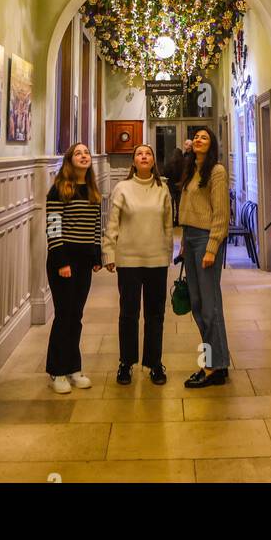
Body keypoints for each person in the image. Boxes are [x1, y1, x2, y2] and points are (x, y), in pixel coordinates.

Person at [103, 144, 173, 386]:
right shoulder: (122, 188)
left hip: (157, 260)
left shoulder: (162, 188)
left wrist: (168, 254)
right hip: (128, 260)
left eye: (148, 153)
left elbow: (168, 225)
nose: (144, 156)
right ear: (134, 162)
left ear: (153, 160)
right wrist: (109, 252)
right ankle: (126, 362)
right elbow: (112, 223)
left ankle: (154, 363)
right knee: (128, 314)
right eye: (139, 154)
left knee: (155, 315)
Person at [44, 143, 102, 394]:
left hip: (84, 260)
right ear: (69, 160)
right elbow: (54, 226)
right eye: (78, 153)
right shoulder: (59, 189)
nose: (84, 156)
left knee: (76, 315)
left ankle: (73, 367)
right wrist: (61, 262)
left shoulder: (91, 189)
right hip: (64, 259)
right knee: (63, 315)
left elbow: (96, 225)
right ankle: (57, 370)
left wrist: (96, 255)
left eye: (86, 153)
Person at [178, 126, 231, 388]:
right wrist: (184, 244)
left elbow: (221, 214)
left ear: (212, 145)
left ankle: (213, 367)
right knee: (198, 305)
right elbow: (188, 207)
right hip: (190, 238)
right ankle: (217, 360)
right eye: (196, 137)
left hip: (206, 239)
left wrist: (211, 247)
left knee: (210, 307)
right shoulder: (191, 168)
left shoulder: (216, 171)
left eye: (204, 137)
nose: (199, 140)